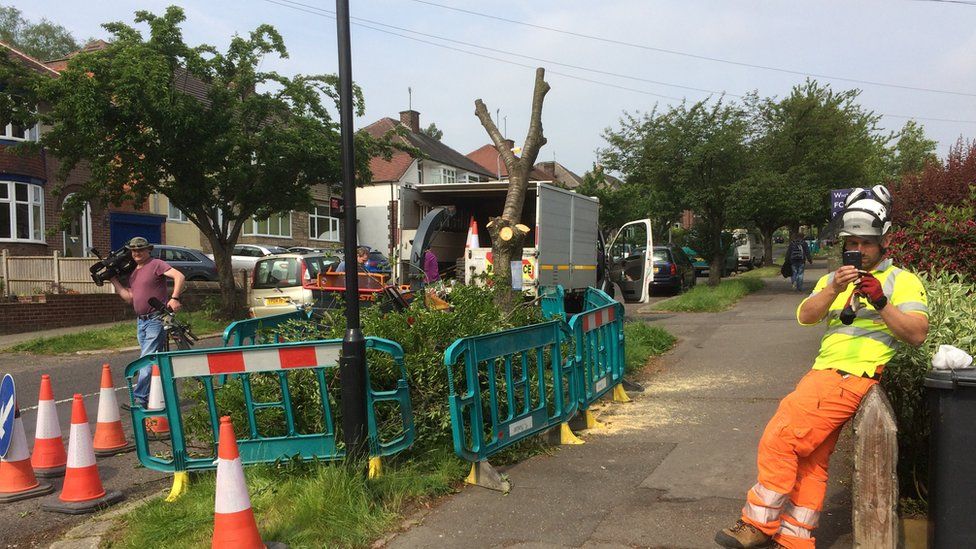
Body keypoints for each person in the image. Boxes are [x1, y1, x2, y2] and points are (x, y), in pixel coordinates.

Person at [715, 185, 929, 549]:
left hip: (850, 374)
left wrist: (881, 301)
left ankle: (758, 524)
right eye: (852, 243)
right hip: (826, 372)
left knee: (780, 437)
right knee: (812, 460)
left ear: (882, 243)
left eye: (866, 243)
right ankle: (795, 538)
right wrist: (833, 290)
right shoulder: (837, 279)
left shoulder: (903, 281)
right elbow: (805, 315)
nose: (858, 250)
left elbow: (917, 333)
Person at [109, 237, 186, 408]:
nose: (136, 253)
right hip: (141, 321)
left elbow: (179, 276)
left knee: (146, 358)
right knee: (152, 360)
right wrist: (113, 280)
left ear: (148, 250)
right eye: (134, 250)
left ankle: (140, 399)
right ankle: (159, 395)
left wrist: (174, 298)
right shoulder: (134, 273)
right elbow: (129, 298)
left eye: (140, 250)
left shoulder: (156, 264)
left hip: (156, 319)